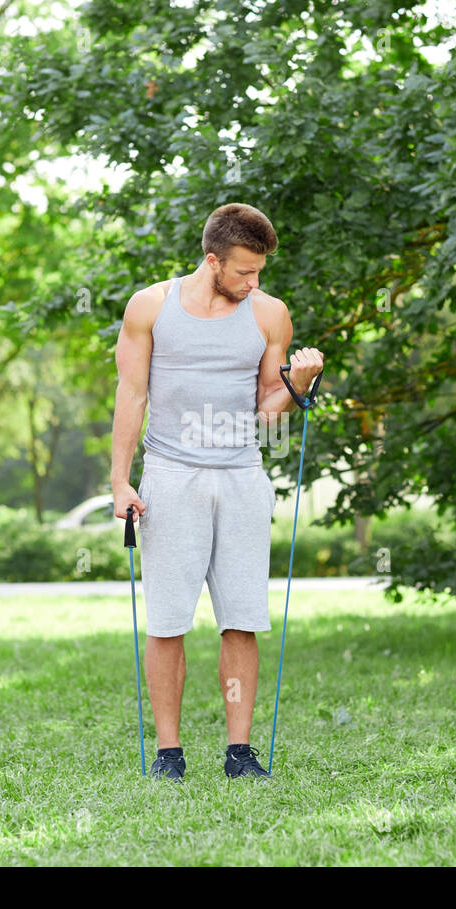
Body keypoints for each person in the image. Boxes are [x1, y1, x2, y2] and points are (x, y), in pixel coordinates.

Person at [111, 202, 323, 781]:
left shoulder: (269, 314)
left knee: (241, 618)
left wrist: (297, 385)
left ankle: (239, 753)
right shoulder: (151, 307)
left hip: (240, 476)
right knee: (168, 621)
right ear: (212, 260)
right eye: (244, 272)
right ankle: (169, 755)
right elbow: (131, 395)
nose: (254, 283)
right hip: (172, 476)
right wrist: (119, 479)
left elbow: (267, 409)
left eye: (259, 273)